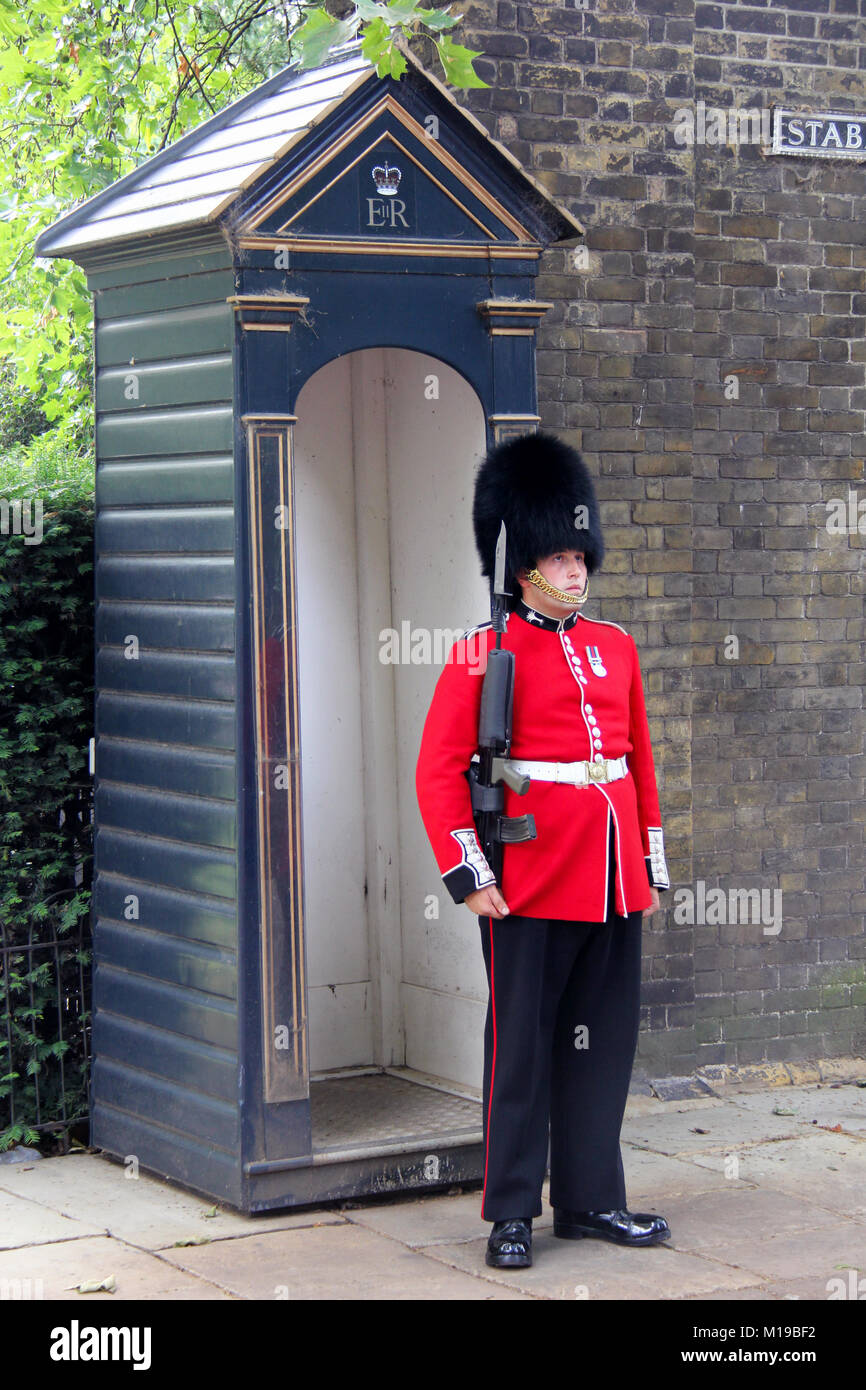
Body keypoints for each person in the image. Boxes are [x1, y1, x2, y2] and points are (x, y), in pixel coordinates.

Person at [415, 430, 672, 1269]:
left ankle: (594, 1200)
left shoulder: (617, 648)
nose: (575, 571)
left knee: (602, 1046)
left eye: (578, 556)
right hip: (526, 880)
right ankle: (512, 1212)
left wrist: (648, 866)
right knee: (521, 1050)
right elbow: (438, 773)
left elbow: (636, 762)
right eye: (558, 559)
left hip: (610, 878)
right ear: (522, 564)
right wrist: (469, 874)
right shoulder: (481, 654)